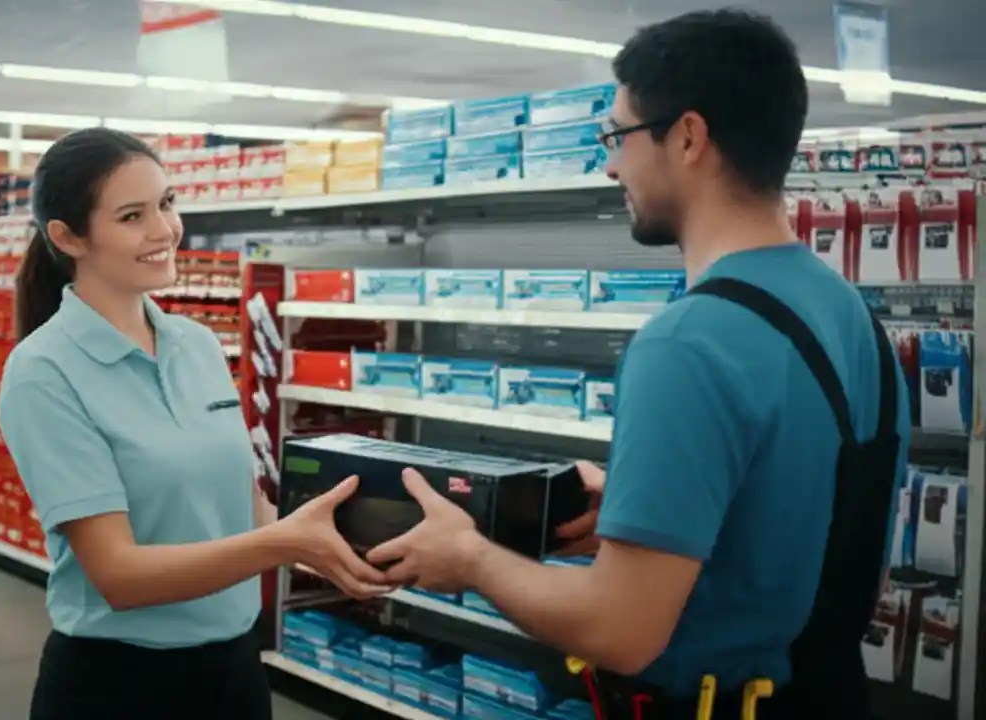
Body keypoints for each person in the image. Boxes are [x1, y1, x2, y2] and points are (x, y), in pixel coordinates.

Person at [365, 10, 909, 719]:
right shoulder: (854, 317)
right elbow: (804, 529)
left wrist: (469, 559)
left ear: (687, 137)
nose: (610, 162)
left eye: (616, 136)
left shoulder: (688, 342)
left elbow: (619, 632)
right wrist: (644, 507)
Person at [0, 127, 387, 720]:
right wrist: (284, 541)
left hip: (234, 674)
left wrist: (341, 548)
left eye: (167, 203)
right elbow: (119, 576)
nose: (164, 230)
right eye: (132, 215)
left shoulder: (197, 344)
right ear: (68, 236)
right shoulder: (43, 372)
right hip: (118, 687)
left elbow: (241, 503)